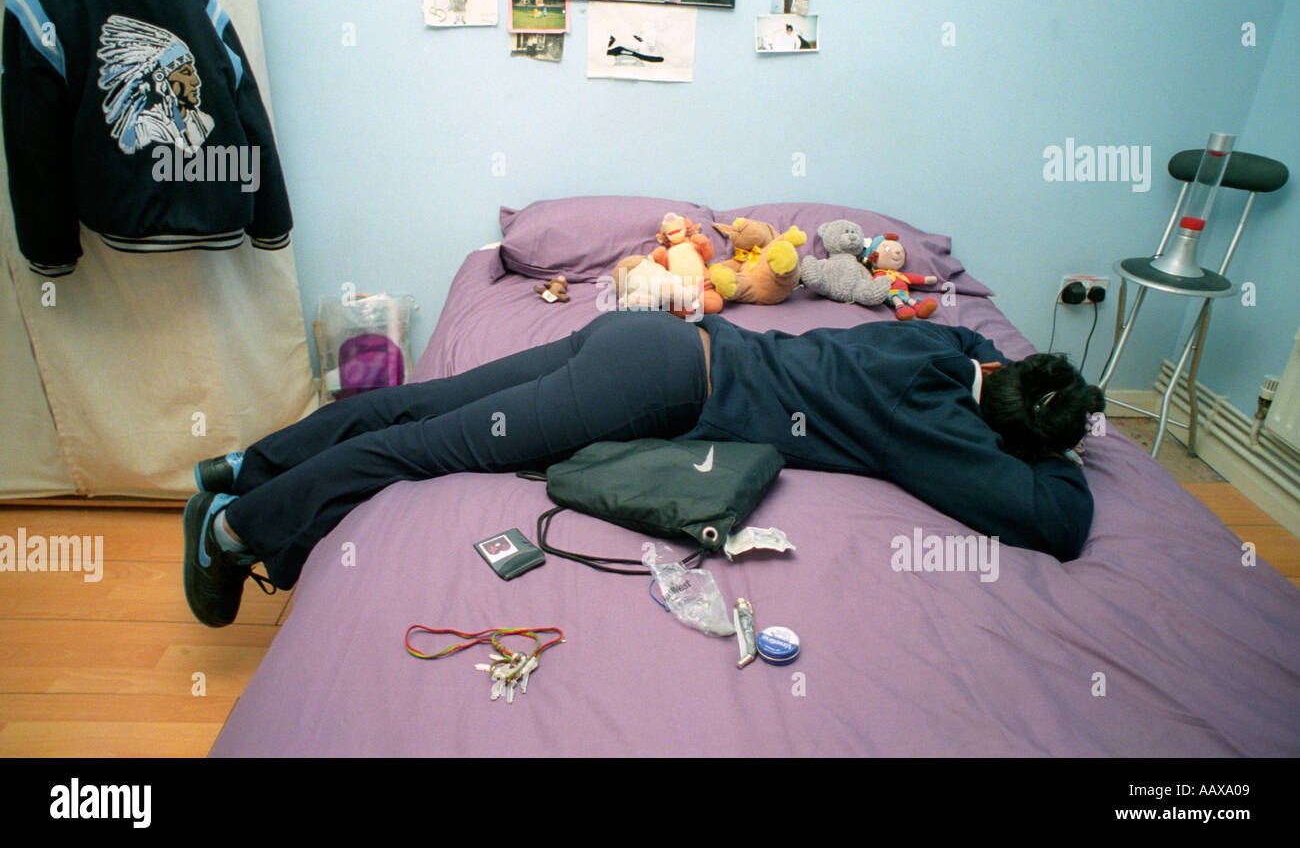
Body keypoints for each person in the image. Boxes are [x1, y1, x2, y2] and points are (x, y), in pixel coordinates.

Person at [185, 311, 1102, 626]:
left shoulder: (943, 346)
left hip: (650, 335)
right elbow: (1052, 519)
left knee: (426, 399)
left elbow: (984, 343)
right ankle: (233, 530)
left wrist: (1026, 392)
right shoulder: (933, 419)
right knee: (416, 449)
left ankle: (242, 464)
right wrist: (1053, 449)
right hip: (655, 387)